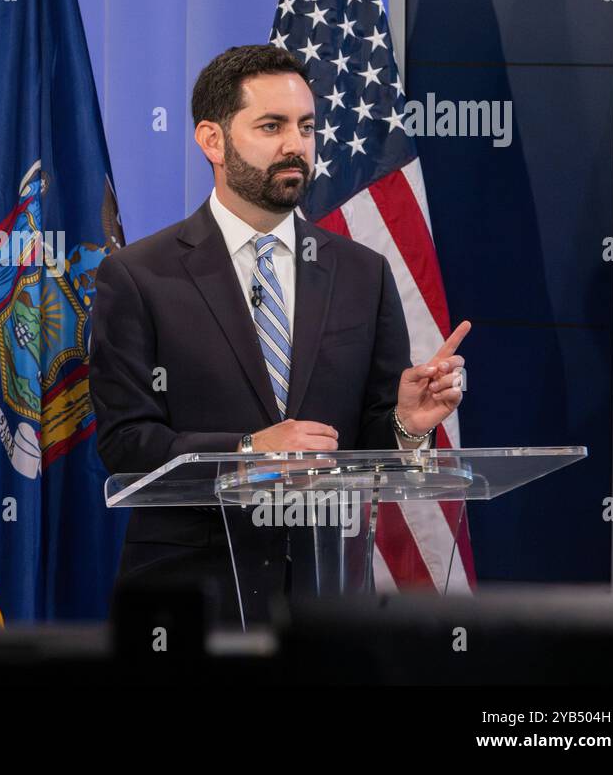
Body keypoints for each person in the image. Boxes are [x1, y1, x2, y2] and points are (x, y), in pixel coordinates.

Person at [89, 44, 468, 624]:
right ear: (211, 140)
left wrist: (404, 423)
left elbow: (366, 439)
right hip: (189, 598)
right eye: (272, 126)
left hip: (326, 597)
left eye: (307, 126)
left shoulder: (362, 272)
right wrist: (246, 451)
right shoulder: (139, 276)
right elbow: (126, 443)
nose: (296, 144)